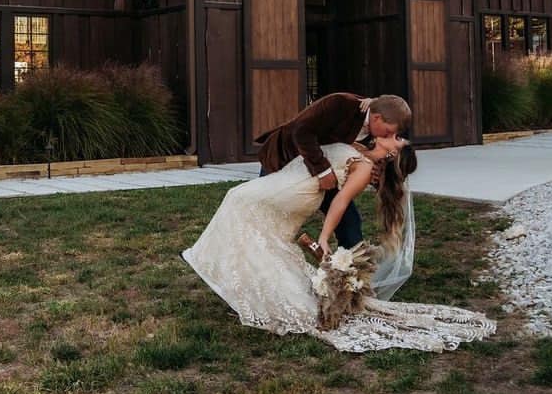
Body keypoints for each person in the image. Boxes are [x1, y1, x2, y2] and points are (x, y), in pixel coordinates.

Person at [182, 139, 495, 352]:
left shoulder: (363, 162)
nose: (392, 135)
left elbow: (341, 202)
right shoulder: (359, 142)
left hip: (298, 192)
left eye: (395, 138)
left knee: (247, 216)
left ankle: (275, 293)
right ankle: (250, 284)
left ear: (387, 155)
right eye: (396, 133)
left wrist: (323, 236)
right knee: (254, 227)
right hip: (290, 185)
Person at [256, 93, 412, 249]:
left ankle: (348, 263)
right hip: (284, 160)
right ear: (377, 118)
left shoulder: (376, 133)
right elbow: (302, 131)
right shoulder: (340, 104)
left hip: (328, 175)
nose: (390, 136)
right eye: (388, 132)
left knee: (350, 223)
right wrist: (323, 171)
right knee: (264, 214)